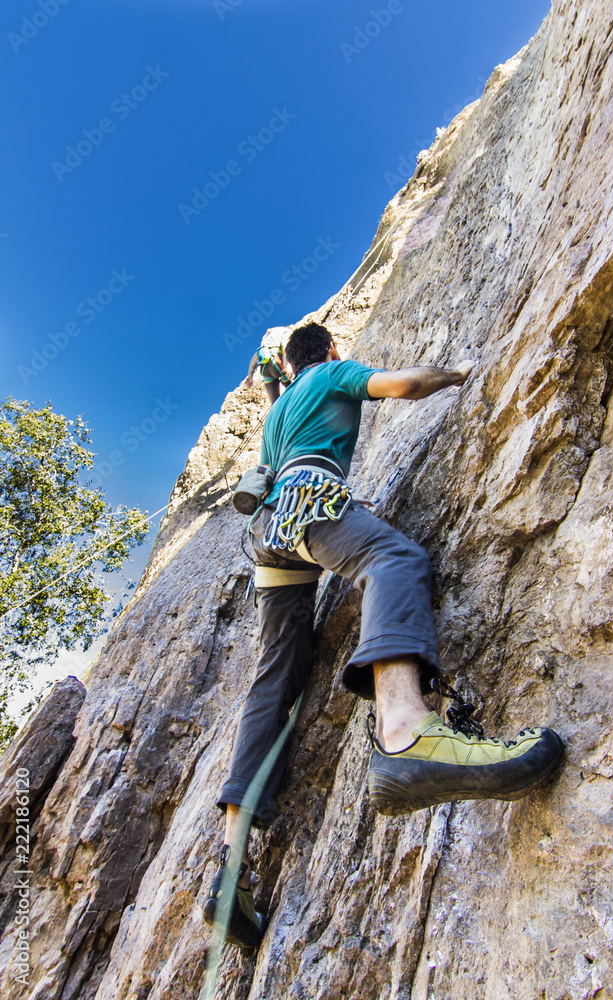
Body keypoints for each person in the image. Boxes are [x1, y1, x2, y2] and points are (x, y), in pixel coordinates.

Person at [204, 322, 564, 947]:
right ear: (333, 351)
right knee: (393, 561)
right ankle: (404, 731)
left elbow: (278, 421)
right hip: (311, 502)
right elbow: (400, 386)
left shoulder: (280, 407)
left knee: (276, 675)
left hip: (267, 537)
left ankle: (229, 868)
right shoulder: (330, 373)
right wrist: (456, 373)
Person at [246, 326, 292, 404]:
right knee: (292, 389)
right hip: (277, 363)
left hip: (264, 369)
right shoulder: (287, 331)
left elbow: (256, 356)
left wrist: (250, 376)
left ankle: (278, 415)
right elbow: (284, 346)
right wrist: (289, 366)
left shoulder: (266, 336)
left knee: (275, 403)